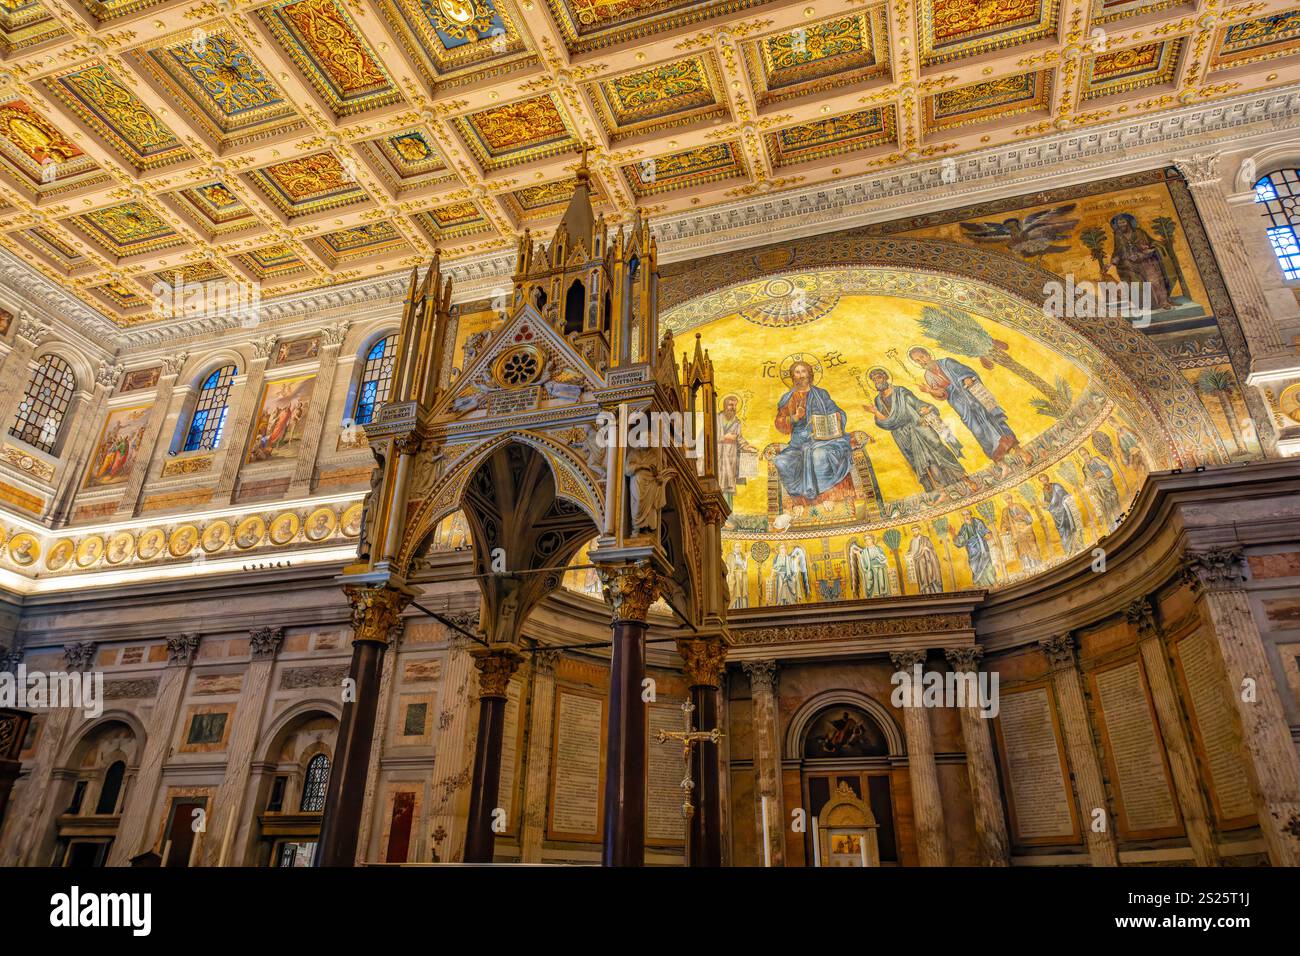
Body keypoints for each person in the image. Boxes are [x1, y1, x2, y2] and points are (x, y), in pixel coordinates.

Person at [909, 346, 1020, 462]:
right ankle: (999, 459)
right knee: (977, 430)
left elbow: (966, 371)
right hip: (959, 404)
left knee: (992, 418)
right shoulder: (928, 376)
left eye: (922, 357)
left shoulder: (947, 362)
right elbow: (942, 395)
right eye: (917, 360)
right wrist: (929, 390)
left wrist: (966, 378)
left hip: (971, 394)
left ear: (928, 354)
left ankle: (1018, 449)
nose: (921, 361)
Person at [773, 361, 856, 514]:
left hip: (825, 440)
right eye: (796, 372)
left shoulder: (821, 394)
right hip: (798, 443)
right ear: (792, 376)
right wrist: (795, 418)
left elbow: (838, 412)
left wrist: (837, 416)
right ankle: (798, 500)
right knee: (781, 461)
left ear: (809, 374)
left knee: (819, 455)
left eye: (803, 371)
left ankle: (827, 495)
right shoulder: (787, 398)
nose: (800, 375)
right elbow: (779, 424)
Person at [867, 366, 966, 492]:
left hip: (917, 427)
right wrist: (875, 413)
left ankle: (963, 478)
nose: (877, 382)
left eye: (879, 378)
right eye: (874, 380)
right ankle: (939, 491)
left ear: (885, 377)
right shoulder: (878, 400)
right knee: (921, 463)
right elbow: (884, 420)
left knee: (937, 450)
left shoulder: (900, 391)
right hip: (901, 435)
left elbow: (916, 403)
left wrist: (925, 409)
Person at [952, 509, 996, 587]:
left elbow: (984, 530)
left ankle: (993, 582)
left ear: (970, 514)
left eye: (967, 514)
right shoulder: (964, 527)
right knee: (976, 568)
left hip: (982, 548)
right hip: (972, 552)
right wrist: (953, 535)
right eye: (964, 515)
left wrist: (987, 533)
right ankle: (981, 585)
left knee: (987, 565)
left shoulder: (977, 522)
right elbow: (960, 541)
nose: (966, 517)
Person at [998, 493, 1041, 571]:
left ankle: (1036, 563)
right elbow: (1004, 522)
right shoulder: (1005, 511)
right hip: (1016, 532)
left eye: (1009, 498)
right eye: (1006, 499)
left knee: (1031, 546)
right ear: (1005, 501)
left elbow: (1029, 518)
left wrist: (1022, 517)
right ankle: (1027, 566)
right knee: (1021, 549)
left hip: (1026, 529)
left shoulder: (1019, 506)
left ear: (1011, 498)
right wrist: (1004, 527)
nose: (1008, 500)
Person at [1039, 473, 1081, 553]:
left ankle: (1076, 547)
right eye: (1042, 481)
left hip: (1064, 511)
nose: (1044, 482)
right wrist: (1045, 505)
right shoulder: (1044, 491)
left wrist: (1052, 503)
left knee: (1068, 528)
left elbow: (1063, 495)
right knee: (1062, 532)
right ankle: (1068, 550)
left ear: (1047, 479)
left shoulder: (1056, 486)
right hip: (1055, 514)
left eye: (1045, 480)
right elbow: (1045, 502)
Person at [905, 524, 943, 594]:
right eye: (913, 531)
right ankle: (925, 593)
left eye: (916, 530)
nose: (915, 532)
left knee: (930, 577)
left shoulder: (925, 539)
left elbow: (932, 549)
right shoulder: (912, 541)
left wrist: (927, 549)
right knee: (922, 579)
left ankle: (935, 592)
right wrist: (908, 553)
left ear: (919, 530)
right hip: (918, 563)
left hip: (927, 562)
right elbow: (910, 550)